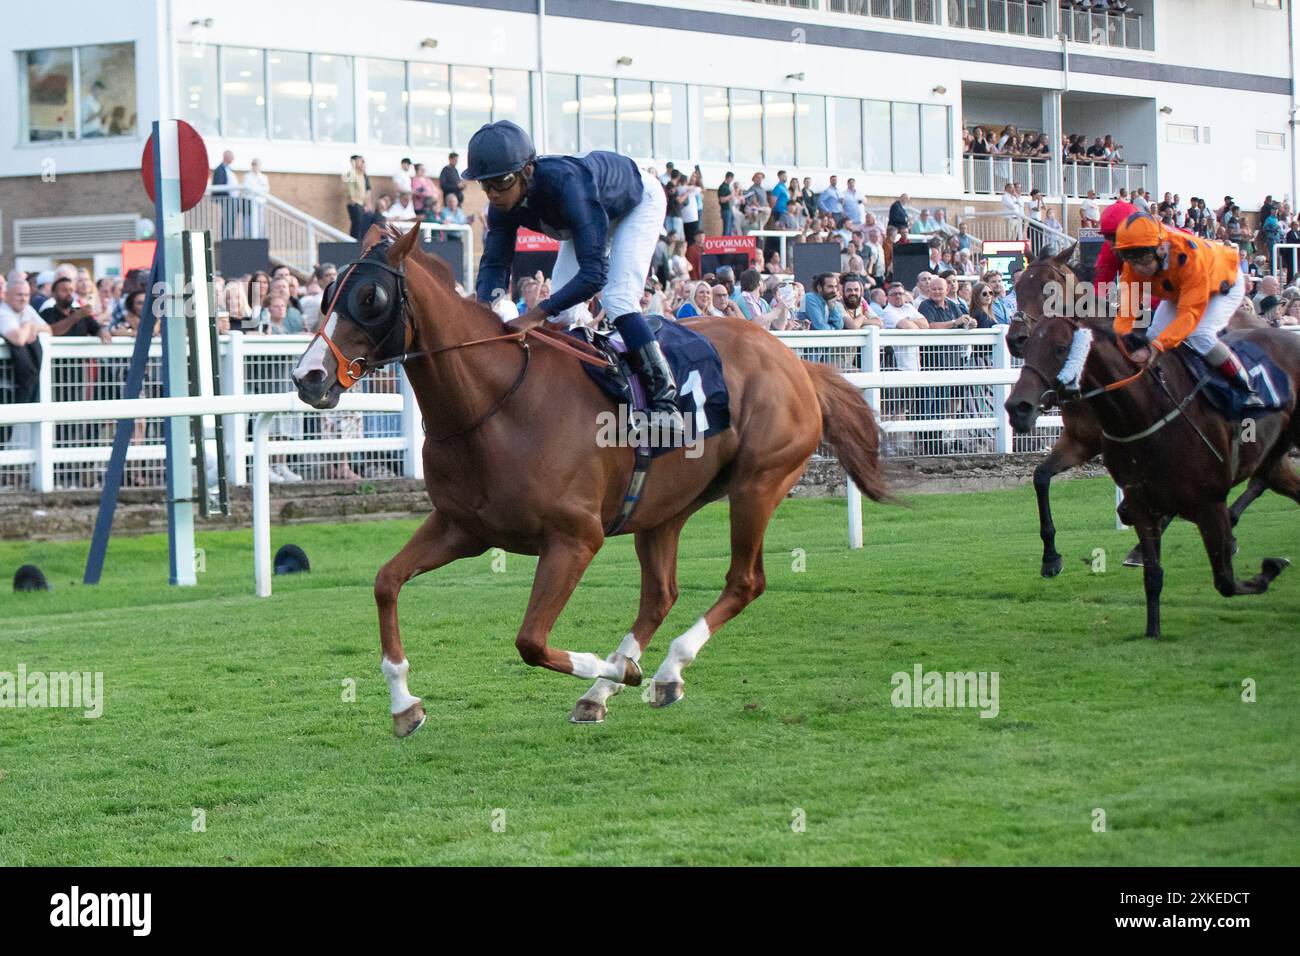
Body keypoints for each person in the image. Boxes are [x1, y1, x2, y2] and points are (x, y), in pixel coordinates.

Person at [467, 120, 685, 438]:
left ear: (527, 171)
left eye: (500, 182)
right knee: (562, 313)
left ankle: (667, 406)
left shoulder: (569, 185)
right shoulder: (502, 204)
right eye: (485, 185)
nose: (493, 194)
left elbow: (594, 275)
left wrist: (533, 315)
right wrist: (493, 303)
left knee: (617, 297)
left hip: (636, 202)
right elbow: (494, 265)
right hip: (584, 216)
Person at [1112, 213, 1263, 406]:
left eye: (1144, 257)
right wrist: (1122, 339)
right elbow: (1126, 313)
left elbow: (1189, 315)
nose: (1138, 267)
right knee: (1154, 334)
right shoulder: (1133, 263)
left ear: (1160, 248)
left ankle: (1246, 388)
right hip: (1180, 289)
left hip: (1224, 285)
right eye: (1130, 258)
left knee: (1200, 335)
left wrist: (1154, 348)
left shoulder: (1188, 257)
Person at [343, 155, 371, 240]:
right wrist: (353, 201)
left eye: (363, 161)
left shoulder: (362, 175)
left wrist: (366, 204)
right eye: (360, 161)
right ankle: (353, 243)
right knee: (356, 225)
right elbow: (350, 188)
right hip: (355, 203)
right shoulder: (352, 173)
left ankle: (358, 243)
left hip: (361, 203)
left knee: (360, 225)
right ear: (354, 162)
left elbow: (365, 191)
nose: (362, 163)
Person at [243, 157, 270, 238]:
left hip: (260, 203)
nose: (254, 166)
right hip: (249, 203)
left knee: (260, 223)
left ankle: (259, 239)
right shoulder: (247, 176)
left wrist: (255, 189)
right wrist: (258, 189)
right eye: (253, 164)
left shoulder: (263, 177)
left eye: (256, 164)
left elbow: (266, 189)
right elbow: (247, 189)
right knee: (248, 223)